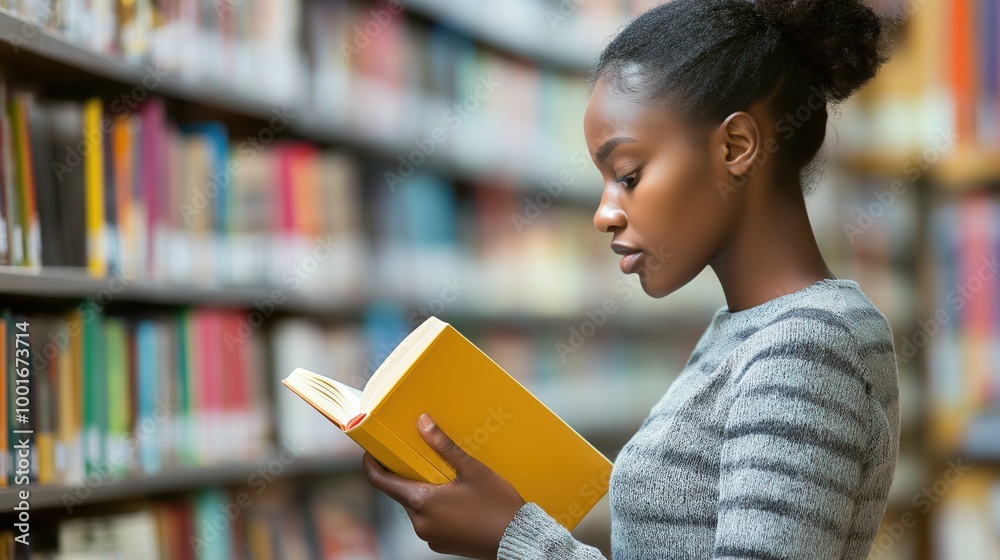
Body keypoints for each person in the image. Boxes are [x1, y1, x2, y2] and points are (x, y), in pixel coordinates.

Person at [363, 0, 900, 558]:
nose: (604, 213)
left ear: (736, 147)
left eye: (629, 175)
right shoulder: (748, 332)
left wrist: (513, 539)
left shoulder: (806, 345)